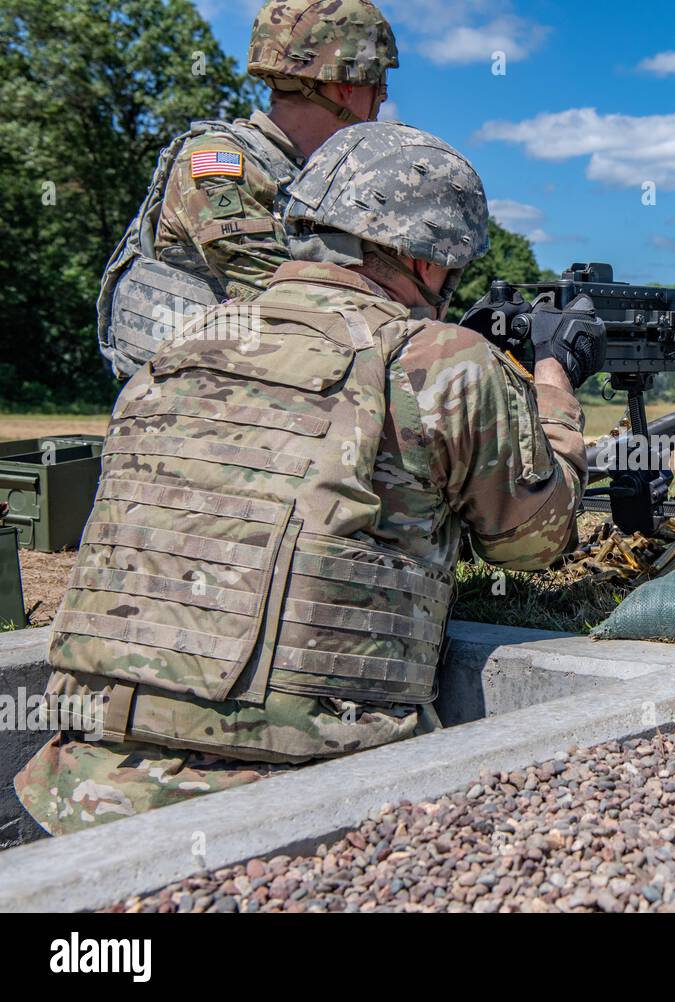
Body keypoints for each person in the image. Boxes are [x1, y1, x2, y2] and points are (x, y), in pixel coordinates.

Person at [17, 122, 605, 835]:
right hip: (302, 794)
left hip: (80, 787)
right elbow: (536, 541)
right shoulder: (439, 358)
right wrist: (553, 383)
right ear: (424, 261)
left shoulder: (180, 346)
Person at [97, 0, 399, 378]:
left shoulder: (317, 178)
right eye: (379, 85)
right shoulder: (216, 161)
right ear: (344, 88)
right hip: (201, 410)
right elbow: (279, 303)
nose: (382, 101)